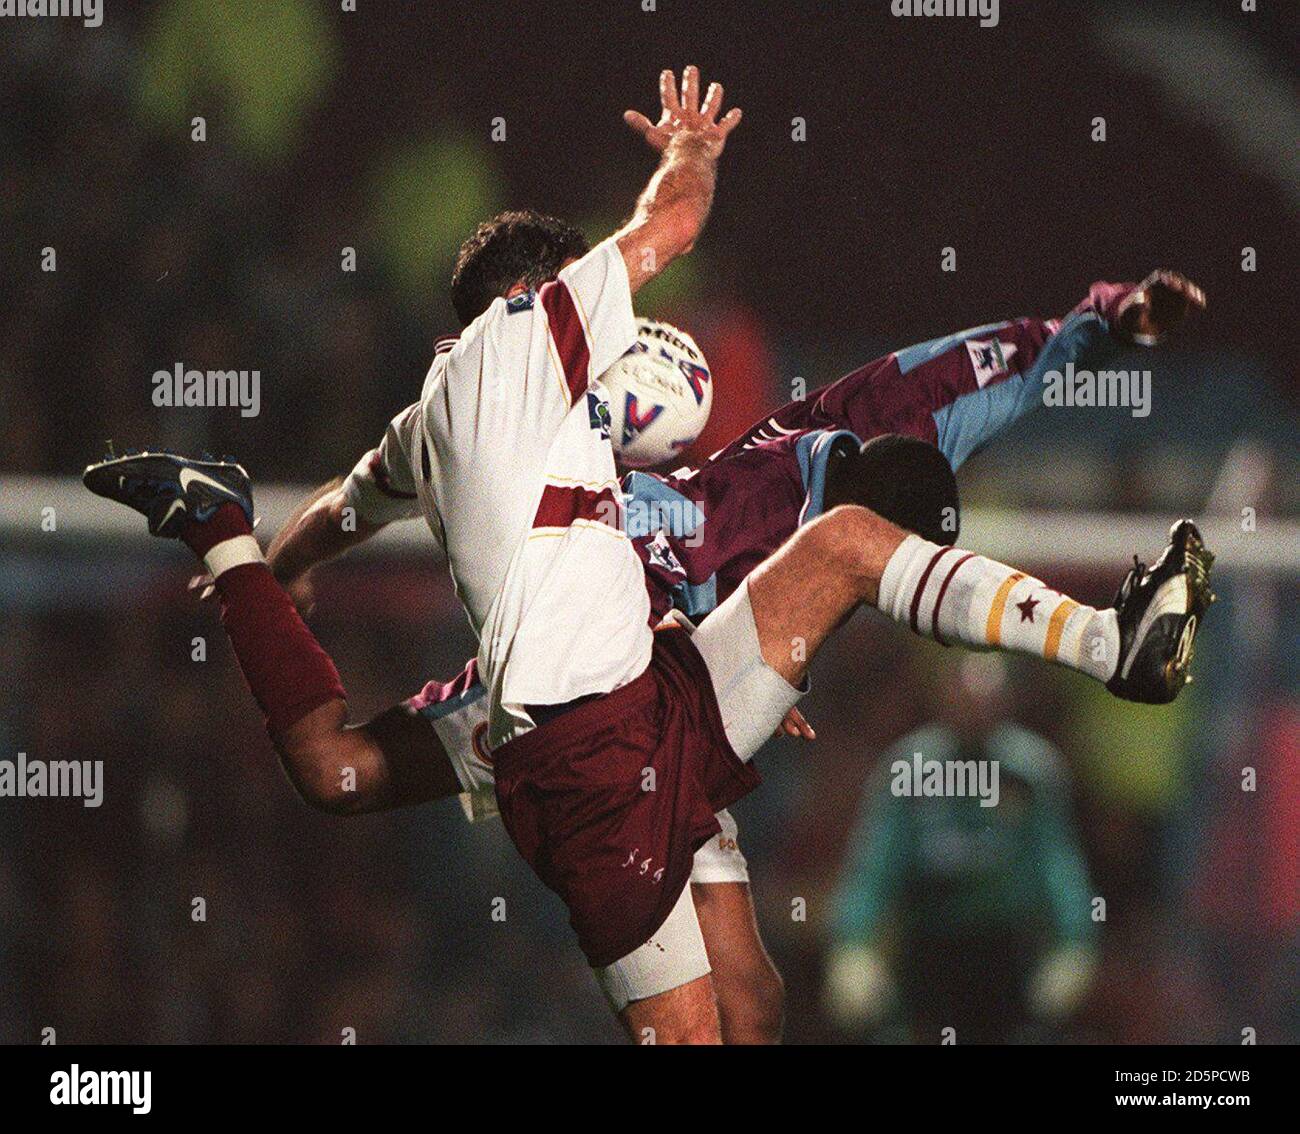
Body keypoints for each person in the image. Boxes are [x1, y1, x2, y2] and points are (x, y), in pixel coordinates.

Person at [84, 67, 1214, 1043]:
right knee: (692, 1027)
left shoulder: (451, 431)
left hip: (650, 690)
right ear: (530, 303)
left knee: (750, 991)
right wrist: (691, 151)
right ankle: (216, 527)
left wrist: (270, 567)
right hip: (576, 741)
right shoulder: (523, 347)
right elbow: (669, 227)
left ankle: (1114, 638)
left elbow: (339, 509)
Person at [823, 656, 1099, 1043]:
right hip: (926, 951)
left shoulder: (1031, 772)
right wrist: (852, 946)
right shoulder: (911, 769)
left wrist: (1074, 946)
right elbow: (872, 867)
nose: (976, 712)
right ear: (943, 697)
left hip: (1005, 955)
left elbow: (1060, 869)